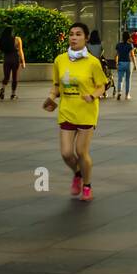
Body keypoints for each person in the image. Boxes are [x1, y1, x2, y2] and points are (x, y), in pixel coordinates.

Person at [44, 22, 108, 203]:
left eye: (78, 34)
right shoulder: (60, 60)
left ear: (86, 38)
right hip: (66, 110)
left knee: (81, 152)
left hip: (86, 111)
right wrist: (50, 98)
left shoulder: (93, 62)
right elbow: (56, 85)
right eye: (71, 34)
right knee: (66, 153)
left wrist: (93, 96)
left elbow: (101, 86)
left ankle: (87, 186)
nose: (74, 37)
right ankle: (77, 174)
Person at [0, 26, 26, 101]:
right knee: (15, 77)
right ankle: (13, 94)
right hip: (15, 59)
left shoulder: (2, 40)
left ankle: (2, 88)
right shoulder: (17, 39)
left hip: (6, 59)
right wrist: (23, 61)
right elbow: (20, 51)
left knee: (6, 76)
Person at [115, 31, 137, 100]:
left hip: (120, 63)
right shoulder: (130, 45)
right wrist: (135, 64)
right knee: (128, 80)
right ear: (128, 37)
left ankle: (119, 92)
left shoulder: (118, 45)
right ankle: (127, 95)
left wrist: (116, 63)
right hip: (128, 63)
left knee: (120, 79)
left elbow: (117, 55)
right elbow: (132, 56)